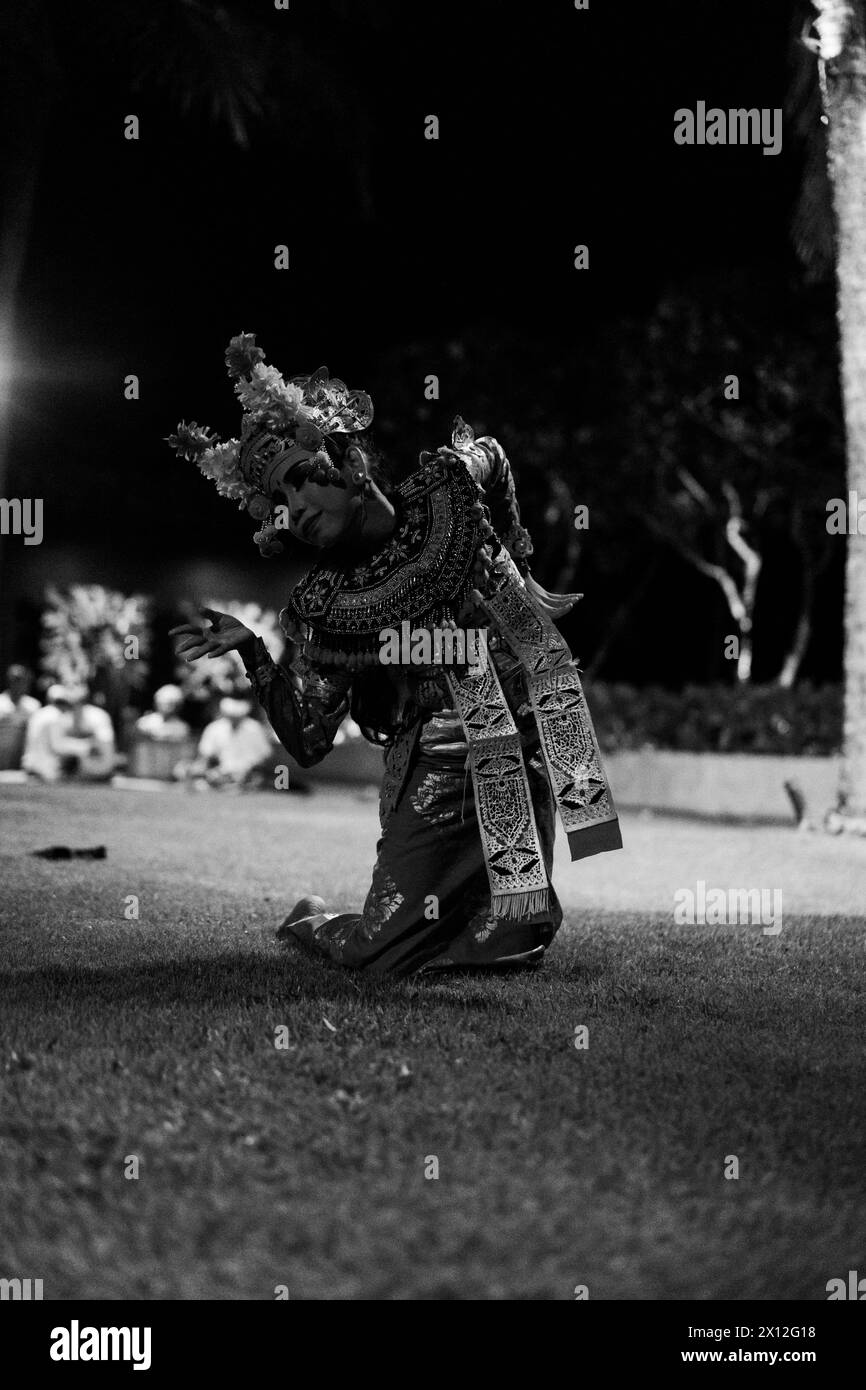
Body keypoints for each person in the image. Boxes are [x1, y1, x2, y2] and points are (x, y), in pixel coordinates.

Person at [169, 333, 621, 978]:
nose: (294, 512)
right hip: (443, 757)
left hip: (527, 725)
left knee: (502, 931)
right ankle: (314, 921)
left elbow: (491, 454)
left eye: (300, 484)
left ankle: (513, 914)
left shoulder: (444, 489)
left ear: (350, 462)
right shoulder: (328, 604)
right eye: (279, 506)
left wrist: (516, 553)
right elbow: (308, 739)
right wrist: (254, 652)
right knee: (377, 955)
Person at [22, 685, 116, 782]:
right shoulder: (54, 716)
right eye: (64, 702)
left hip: (34, 765)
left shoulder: (98, 716)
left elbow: (106, 754)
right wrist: (87, 746)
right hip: (48, 771)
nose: (67, 706)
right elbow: (57, 747)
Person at [189, 696, 274, 787]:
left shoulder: (254, 728)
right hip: (220, 772)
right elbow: (205, 755)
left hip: (249, 773)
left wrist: (249, 769)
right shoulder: (214, 728)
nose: (234, 719)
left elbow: (265, 755)